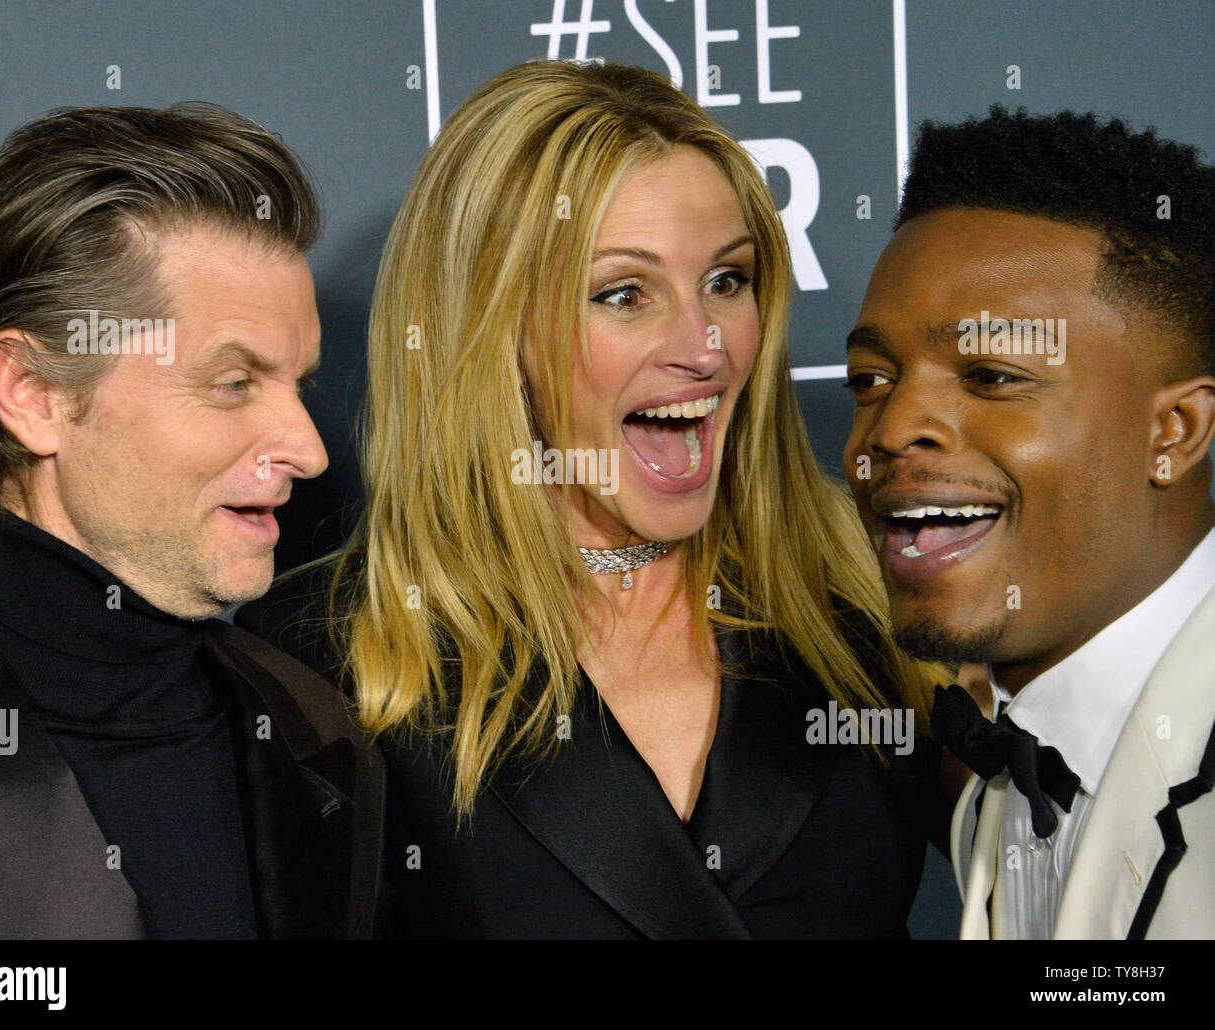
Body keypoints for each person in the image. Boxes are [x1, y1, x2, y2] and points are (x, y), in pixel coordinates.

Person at [243, 59, 939, 939]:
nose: (705, 347)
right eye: (624, 294)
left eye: (727, 281)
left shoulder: (873, 606)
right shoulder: (326, 666)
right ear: (492, 332)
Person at [0, 104, 384, 939]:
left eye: (299, 385)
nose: (309, 452)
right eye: (233, 384)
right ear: (33, 394)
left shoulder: (317, 730)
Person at [843, 106, 1215, 939]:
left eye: (991, 376)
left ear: (1175, 432)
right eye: (870, 379)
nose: (892, 428)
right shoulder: (995, 792)